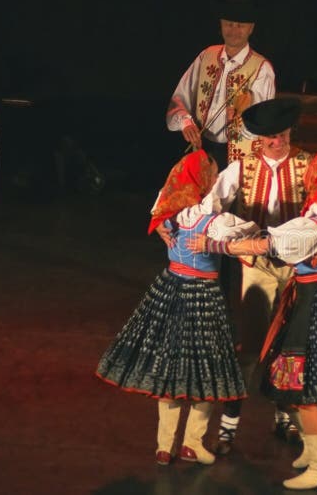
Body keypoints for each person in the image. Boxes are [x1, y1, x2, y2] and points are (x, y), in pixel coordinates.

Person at [189, 148, 317, 490]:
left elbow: (270, 244)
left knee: (305, 386)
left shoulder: (314, 221)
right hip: (312, 294)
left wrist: (214, 246)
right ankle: (312, 455)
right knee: (290, 371)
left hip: (313, 300)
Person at [161, 97, 313, 455]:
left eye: (282, 134)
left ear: (290, 130)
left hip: (296, 267)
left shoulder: (308, 166)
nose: (277, 141)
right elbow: (206, 205)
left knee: (290, 347)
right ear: (259, 138)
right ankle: (229, 426)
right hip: (253, 266)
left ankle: (284, 418)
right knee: (248, 347)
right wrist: (168, 220)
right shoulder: (240, 170)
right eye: (270, 136)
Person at [95, 149, 258, 466]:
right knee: (207, 372)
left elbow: (159, 204)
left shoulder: (171, 213)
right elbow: (250, 232)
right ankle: (192, 443)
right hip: (202, 297)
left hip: (170, 291)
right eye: (210, 172)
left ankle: (163, 445)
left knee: (169, 371)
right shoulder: (214, 220)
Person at [166, 0, 275, 170]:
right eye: (229, 24)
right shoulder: (206, 55)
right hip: (201, 145)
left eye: (240, 25)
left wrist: (239, 121)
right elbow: (180, 98)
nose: (234, 30)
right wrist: (186, 122)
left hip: (239, 154)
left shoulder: (261, 68)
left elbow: (262, 121)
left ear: (251, 28)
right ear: (221, 24)